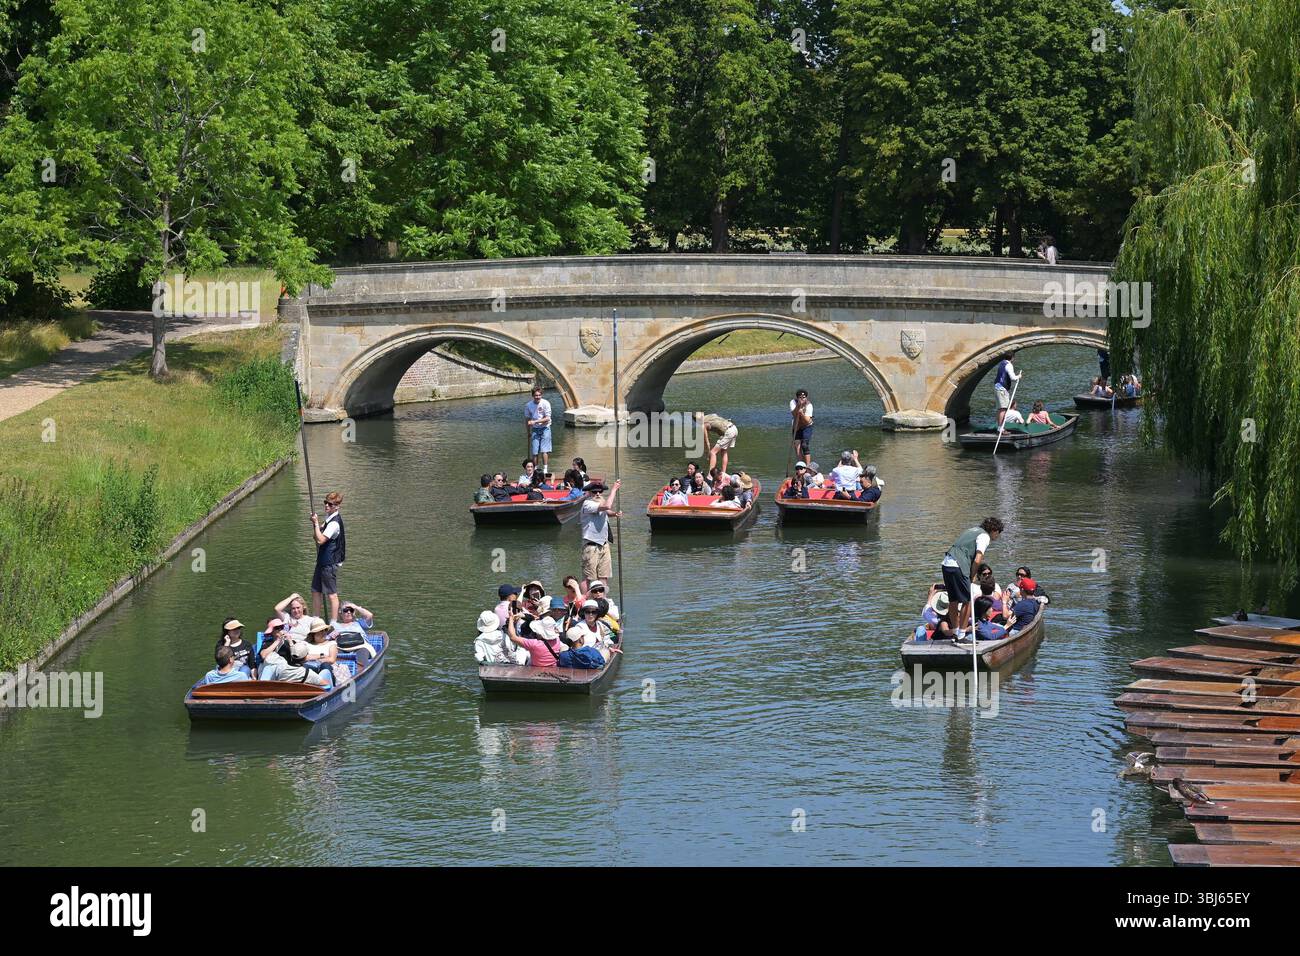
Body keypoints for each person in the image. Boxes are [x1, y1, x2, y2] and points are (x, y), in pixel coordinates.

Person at [940, 517, 1005, 633]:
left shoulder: (972, 530)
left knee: (953, 600)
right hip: (958, 565)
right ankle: (962, 633)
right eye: (998, 534)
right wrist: (972, 575)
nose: (997, 537)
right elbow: (978, 559)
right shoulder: (985, 536)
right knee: (967, 601)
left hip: (946, 564)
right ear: (994, 531)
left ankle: (955, 631)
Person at [257, 619, 330, 685]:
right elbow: (263, 655)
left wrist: (321, 655)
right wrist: (278, 641)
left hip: (291, 672)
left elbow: (300, 655)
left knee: (323, 668)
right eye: (277, 628)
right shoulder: (267, 643)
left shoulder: (289, 642)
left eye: (281, 627)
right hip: (278, 674)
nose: (280, 630)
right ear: (272, 631)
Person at [310, 491, 346, 623]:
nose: (326, 506)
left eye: (330, 504)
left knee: (331, 594)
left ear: (337, 506)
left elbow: (320, 541)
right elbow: (316, 536)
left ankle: (333, 622)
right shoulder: (328, 519)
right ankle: (316, 619)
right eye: (325, 503)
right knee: (315, 590)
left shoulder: (334, 523)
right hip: (321, 562)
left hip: (329, 563)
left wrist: (315, 524)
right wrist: (316, 525)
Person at [580, 479, 622, 581]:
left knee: (604, 576)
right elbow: (606, 506)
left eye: (600, 491)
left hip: (604, 544)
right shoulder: (587, 503)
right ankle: (585, 597)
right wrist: (614, 490)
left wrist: (615, 514)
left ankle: (603, 596)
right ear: (589, 492)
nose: (598, 494)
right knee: (589, 578)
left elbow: (606, 511)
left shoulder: (601, 501)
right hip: (591, 546)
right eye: (594, 492)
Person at [525, 387, 553, 473]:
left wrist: (535, 421)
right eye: (536, 395)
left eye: (539, 395)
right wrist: (528, 432)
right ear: (533, 395)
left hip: (545, 428)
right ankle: (535, 469)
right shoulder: (528, 405)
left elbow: (547, 418)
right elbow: (527, 419)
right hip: (535, 429)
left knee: (544, 450)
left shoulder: (546, 403)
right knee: (535, 451)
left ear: (541, 395)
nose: (538, 397)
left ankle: (545, 470)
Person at [992, 354, 1021, 429]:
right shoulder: (1009, 365)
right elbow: (1013, 378)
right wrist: (1019, 376)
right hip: (1002, 389)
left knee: (1000, 409)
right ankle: (1001, 428)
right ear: (1012, 358)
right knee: (1003, 409)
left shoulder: (1002, 363)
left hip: (997, 387)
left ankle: (999, 427)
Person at [790, 389, 813, 465]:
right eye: (800, 397)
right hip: (796, 426)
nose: (802, 399)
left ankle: (808, 466)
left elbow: (807, 421)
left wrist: (801, 413)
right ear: (797, 398)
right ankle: (801, 465)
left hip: (806, 426)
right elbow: (794, 414)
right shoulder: (793, 402)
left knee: (804, 445)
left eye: (804, 397)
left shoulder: (809, 405)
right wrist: (798, 406)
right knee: (797, 446)